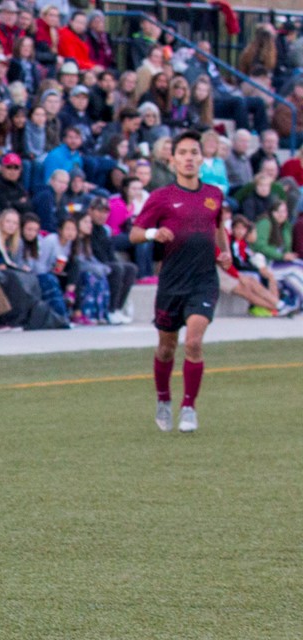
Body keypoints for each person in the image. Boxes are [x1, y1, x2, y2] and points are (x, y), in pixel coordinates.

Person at [131, 131, 228, 434]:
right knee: (165, 348)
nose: (188, 158)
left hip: (203, 280)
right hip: (172, 282)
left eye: (193, 152)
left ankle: (189, 407)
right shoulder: (161, 198)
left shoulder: (214, 194)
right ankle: (164, 399)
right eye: (182, 152)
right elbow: (135, 233)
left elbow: (218, 228)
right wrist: (152, 234)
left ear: (201, 158)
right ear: (172, 160)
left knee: (194, 342)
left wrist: (224, 254)